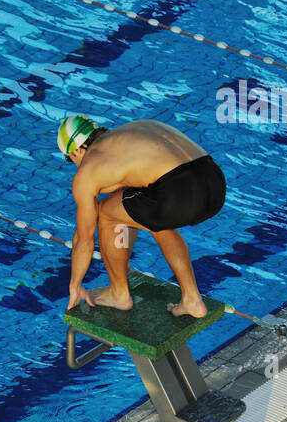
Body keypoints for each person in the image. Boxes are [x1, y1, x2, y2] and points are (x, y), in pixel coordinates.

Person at [58, 114, 226, 318]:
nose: (74, 164)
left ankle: (119, 293)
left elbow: (84, 240)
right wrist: (120, 256)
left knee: (105, 213)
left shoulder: (89, 170)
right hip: (214, 184)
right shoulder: (133, 132)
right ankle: (191, 299)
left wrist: (75, 285)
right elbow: (133, 213)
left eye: (69, 159)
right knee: (150, 214)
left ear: (75, 150)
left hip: (178, 193)